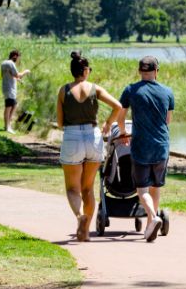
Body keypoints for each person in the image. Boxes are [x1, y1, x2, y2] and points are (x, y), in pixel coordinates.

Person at [57, 51, 122, 241]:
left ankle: (80, 217)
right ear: (85, 71)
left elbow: (60, 123)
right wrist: (108, 123)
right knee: (88, 188)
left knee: (72, 188)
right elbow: (118, 106)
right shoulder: (95, 89)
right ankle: (85, 232)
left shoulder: (63, 91)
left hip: (72, 137)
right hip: (93, 137)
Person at [117, 55, 174, 242]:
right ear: (156, 71)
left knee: (142, 190)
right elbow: (167, 121)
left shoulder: (131, 90)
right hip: (162, 146)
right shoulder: (167, 92)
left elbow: (120, 117)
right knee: (155, 187)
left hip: (141, 146)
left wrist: (124, 133)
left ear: (139, 71)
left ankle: (153, 217)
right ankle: (150, 225)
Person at [1, 50, 30, 134]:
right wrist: (26, 71)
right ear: (15, 56)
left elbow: (7, 75)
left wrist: (17, 80)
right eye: (18, 58)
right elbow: (18, 75)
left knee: (14, 105)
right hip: (10, 89)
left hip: (6, 88)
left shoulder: (4, 63)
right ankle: (7, 127)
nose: (18, 60)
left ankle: (8, 124)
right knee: (8, 107)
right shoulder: (11, 64)